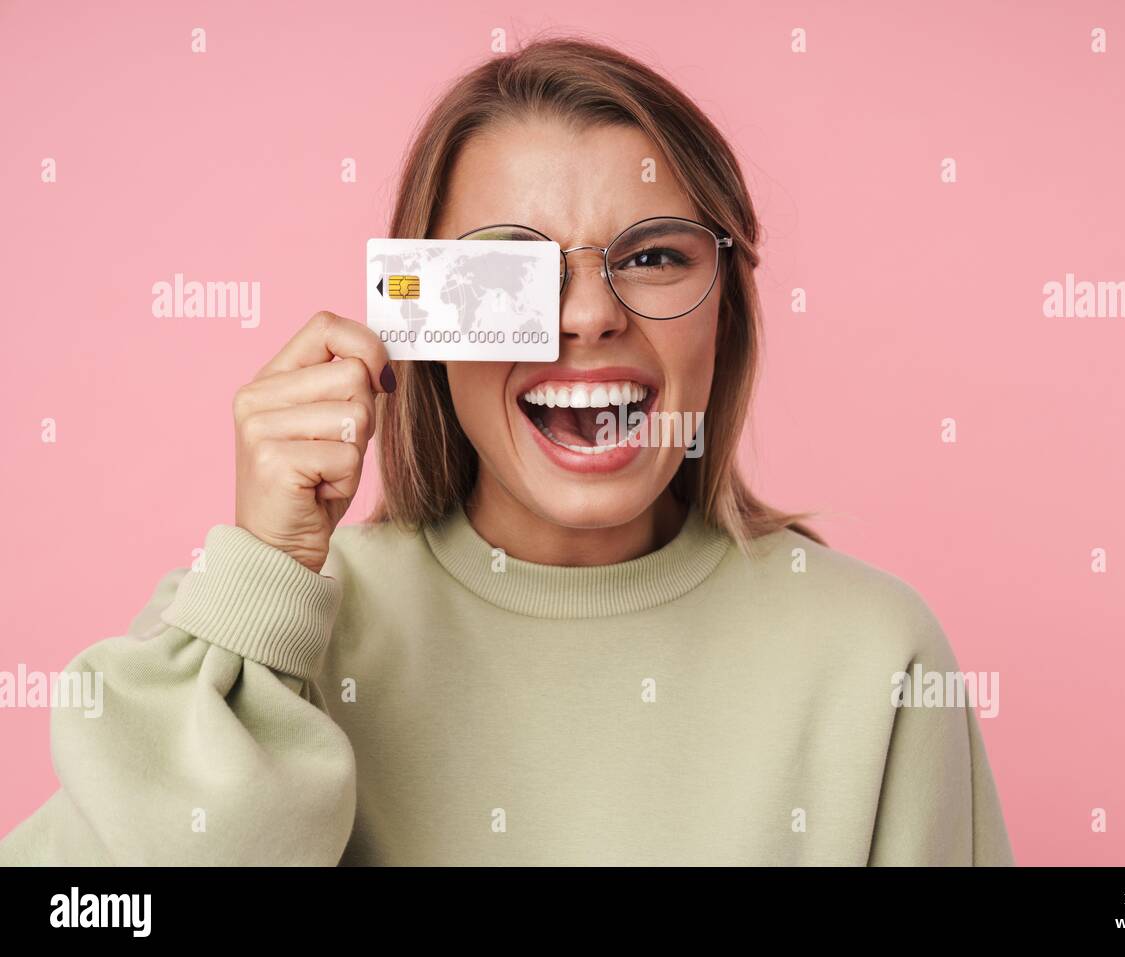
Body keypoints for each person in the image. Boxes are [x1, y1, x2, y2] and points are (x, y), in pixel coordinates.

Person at [0, 36, 1013, 866]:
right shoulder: (279, 642)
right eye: (509, 268)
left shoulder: (875, 656)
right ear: (425, 325)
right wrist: (255, 598)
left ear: (727, 313)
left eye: (653, 255)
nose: (588, 316)